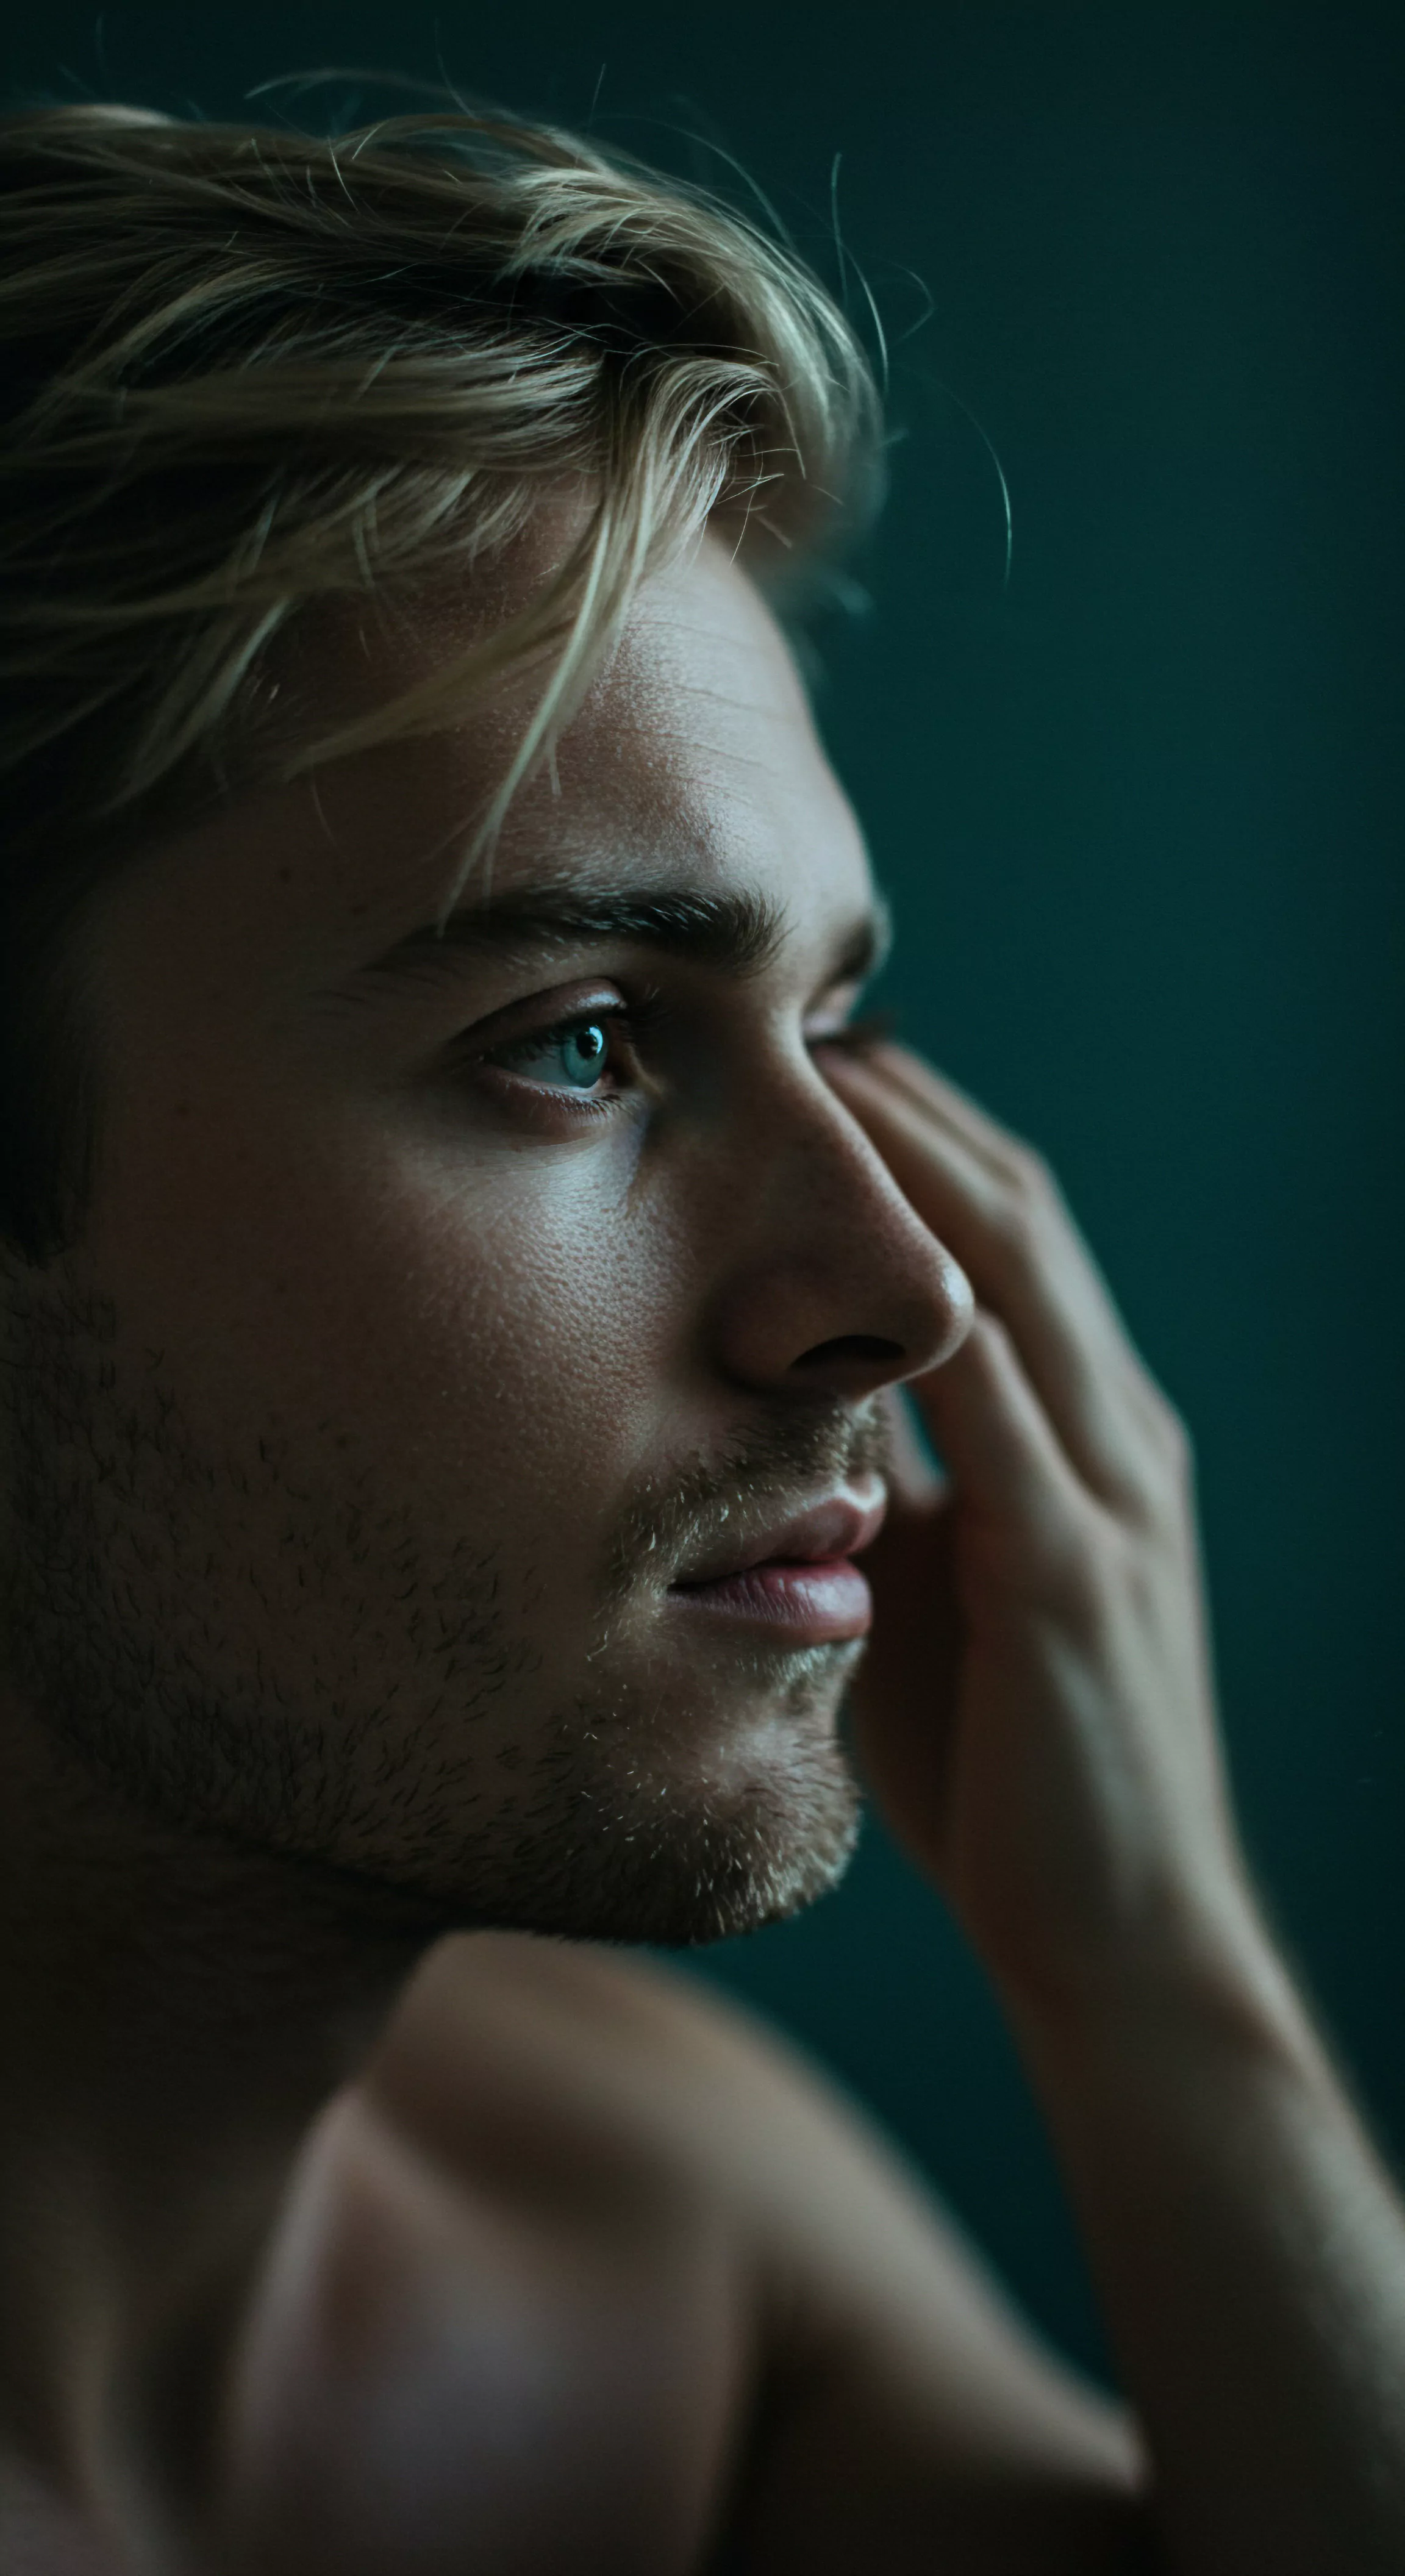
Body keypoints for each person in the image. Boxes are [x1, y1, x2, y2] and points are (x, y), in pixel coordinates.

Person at [0, 93, 1402, 2576]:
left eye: (831, 1022)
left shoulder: (650, 2237)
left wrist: (1163, 1972)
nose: (901, 1291)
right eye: (580, 1038)